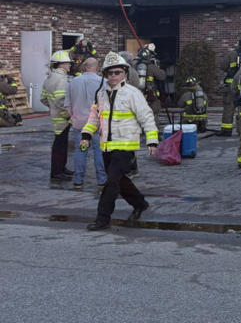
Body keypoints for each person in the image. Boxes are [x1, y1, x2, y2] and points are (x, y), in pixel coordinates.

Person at [81, 52, 158, 231]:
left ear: (125, 72)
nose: (113, 76)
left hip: (125, 146)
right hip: (106, 146)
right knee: (120, 181)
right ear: (105, 75)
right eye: (110, 73)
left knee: (111, 183)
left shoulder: (133, 94)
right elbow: (94, 117)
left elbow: (146, 117)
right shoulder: (100, 94)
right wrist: (86, 134)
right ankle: (140, 203)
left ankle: (102, 219)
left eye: (117, 72)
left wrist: (152, 140)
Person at [64, 57, 106, 190]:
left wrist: (74, 117)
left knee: (81, 151)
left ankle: (78, 181)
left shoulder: (73, 82)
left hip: (80, 125)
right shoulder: (103, 82)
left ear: (84, 67)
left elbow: (67, 105)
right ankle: (102, 181)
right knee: (99, 152)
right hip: (98, 125)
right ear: (97, 67)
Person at [41, 50, 73, 182]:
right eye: (68, 63)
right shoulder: (61, 79)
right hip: (63, 118)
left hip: (56, 116)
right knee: (60, 145)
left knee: (61, 144)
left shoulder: (49, 78)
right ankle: (57, 172)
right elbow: (61, 100)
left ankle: (61, 168)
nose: (70, 65)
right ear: (61, 64)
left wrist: (53, 108)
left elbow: (43, 99)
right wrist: (67, 114)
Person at [218, 39, 241, 136]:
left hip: (231, 85)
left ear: (238, 44)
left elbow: (223, 66)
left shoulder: (232, 54)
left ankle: (226, 131)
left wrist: (231, 70)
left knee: (229, 108)